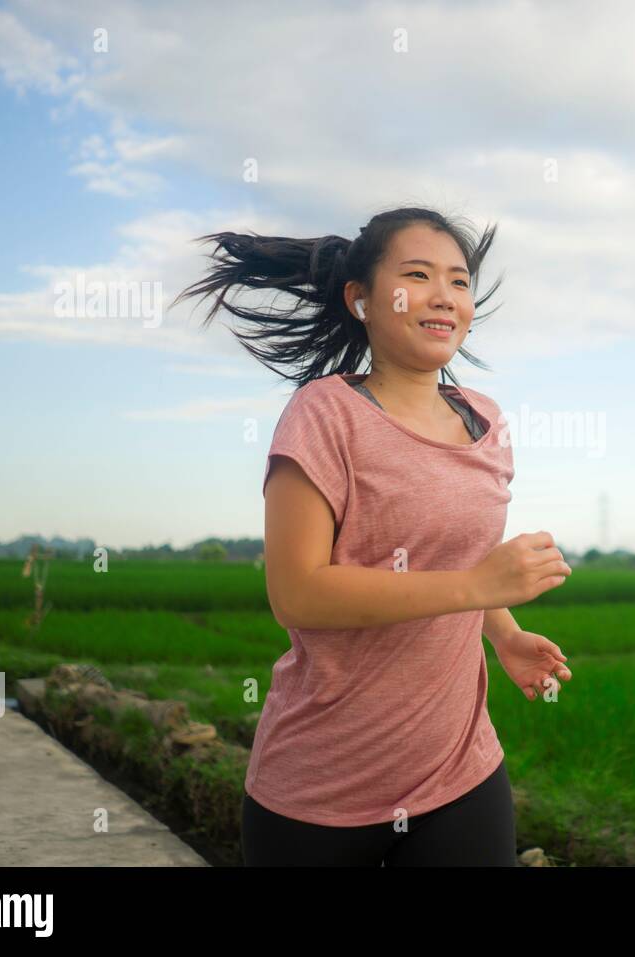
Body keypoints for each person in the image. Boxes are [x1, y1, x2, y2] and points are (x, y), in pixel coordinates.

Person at [173, 206, 574, 865]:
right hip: (322, 784)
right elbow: (298, 594)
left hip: (459, 768)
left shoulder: (486, 419)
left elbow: (459, 559)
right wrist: (477, 585)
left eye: (459, 280)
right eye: (417, 275)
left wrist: (502, 632)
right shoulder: (324, 413)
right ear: (359, 298)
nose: (444, 295)